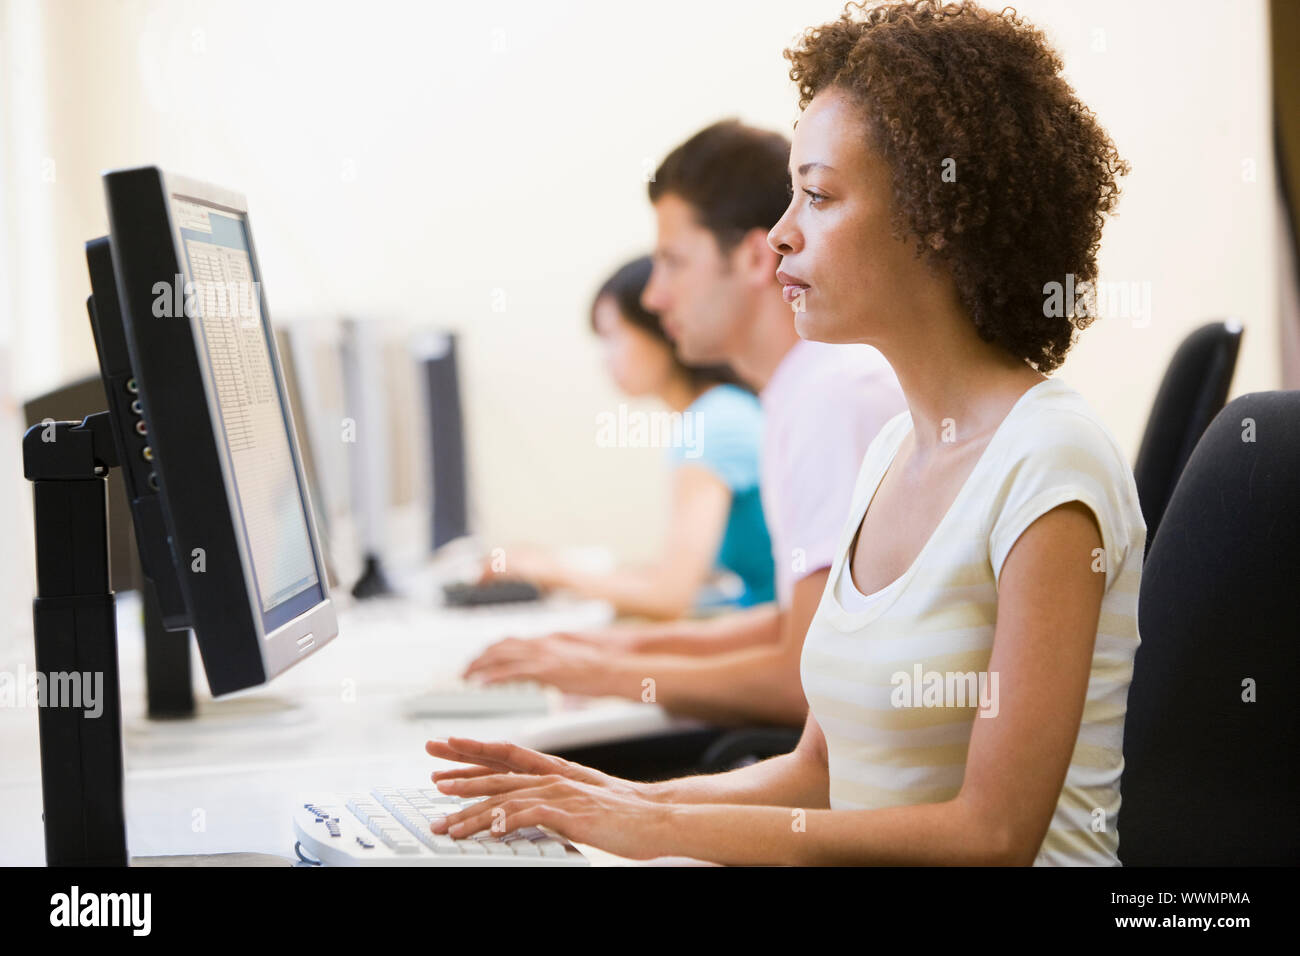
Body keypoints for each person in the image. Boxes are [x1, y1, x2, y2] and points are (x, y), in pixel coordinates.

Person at [428, 0, 1145, 865]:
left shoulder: (1050, 461)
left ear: (937, 217)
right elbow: (817, 776)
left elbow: (989, 838)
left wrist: (655, 827)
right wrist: (604, 799)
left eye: (819, 196)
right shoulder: (890, 455)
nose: (780, 236)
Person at [463, 119, 907, 727]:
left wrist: (604, 673)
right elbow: (796, 623)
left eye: (673, 263)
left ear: (754, 257)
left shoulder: (830, 393)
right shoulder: (795, 390)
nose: (654, 298)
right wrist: (609, 649)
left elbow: (803, 682)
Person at [485, 255, 775, 617]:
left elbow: (668, 598)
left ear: (664, 326)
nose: (604, 359)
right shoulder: (722, 410)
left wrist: (553, 573)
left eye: (612, 336)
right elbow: (687, 576)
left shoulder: (715, 424)